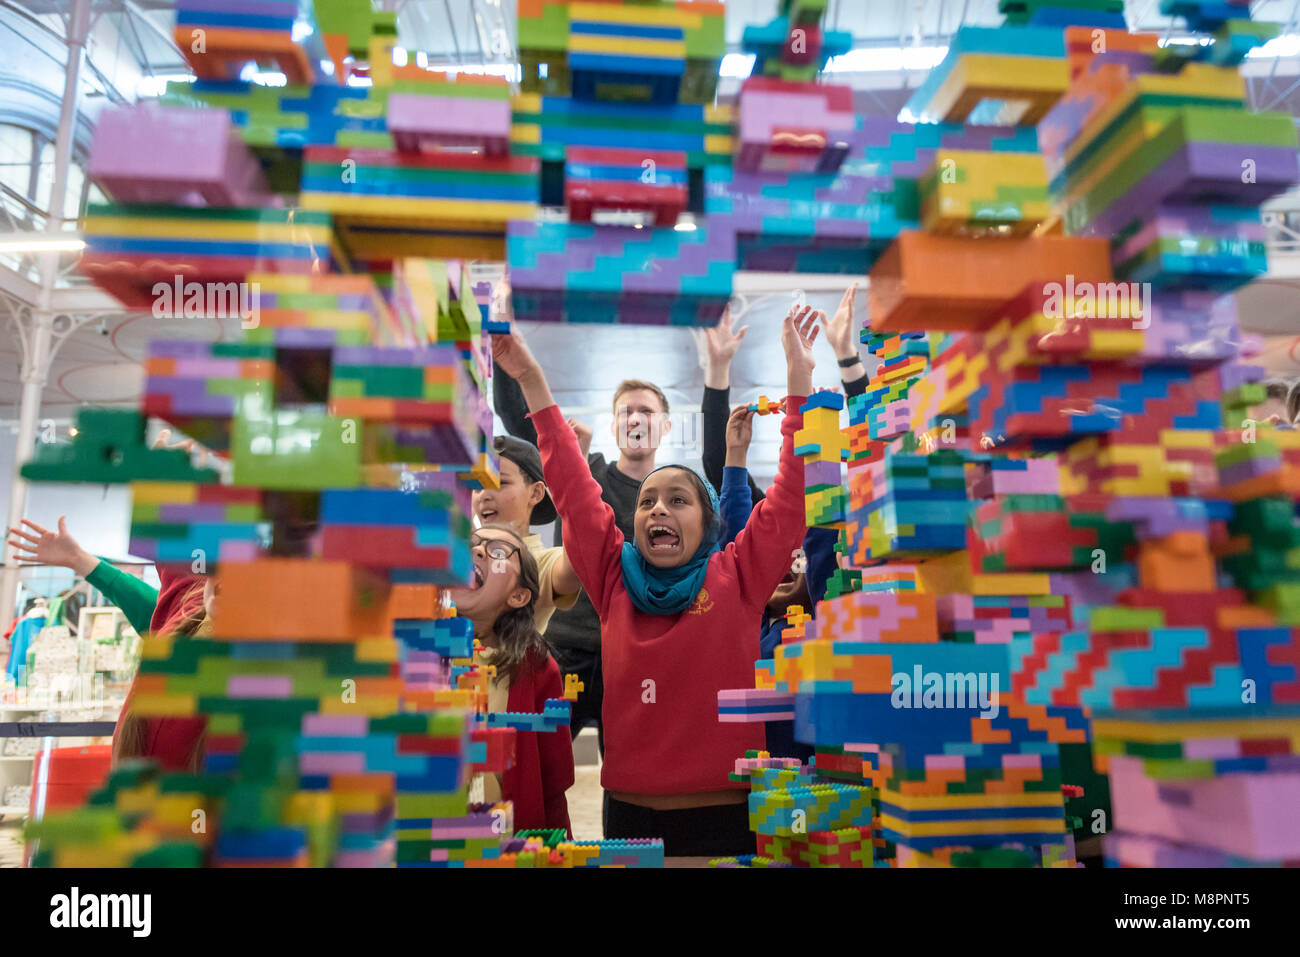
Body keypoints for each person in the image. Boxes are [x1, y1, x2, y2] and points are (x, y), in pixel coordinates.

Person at [489, 304, 818, 857]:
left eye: (678, 500)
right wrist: (529, 377)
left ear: (709, 524)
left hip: (727, 817)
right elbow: (571, 484)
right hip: (629, 819)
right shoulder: (613, 576)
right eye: (646, 503)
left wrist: (799, 381)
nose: (657, 509)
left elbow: (792, 492)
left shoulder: (738, 572)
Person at [490, 280, 673, 749]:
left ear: (666, 425)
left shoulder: (674, 499)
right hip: (568, 643)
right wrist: (503, 344)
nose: (636, 420)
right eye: (627, 411)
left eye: (646, 412)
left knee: (628, 769)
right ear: (613, 423)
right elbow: (520, 428)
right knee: (537, 757)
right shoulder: (587, 475)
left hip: (629, 652)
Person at [447, 524, 574, 833]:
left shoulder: (538, 670)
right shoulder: (410, 651)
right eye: (472, 545)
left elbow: (553, 785)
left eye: (498, 553)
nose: (476, 551)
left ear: (518, 596)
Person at [473, 436, 581, 634]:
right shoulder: (457, 553)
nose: (483, 495)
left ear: (536, 493)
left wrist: (573, 472)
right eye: (477, 485)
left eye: (499, 482)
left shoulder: (544, 562)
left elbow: (581, 554)